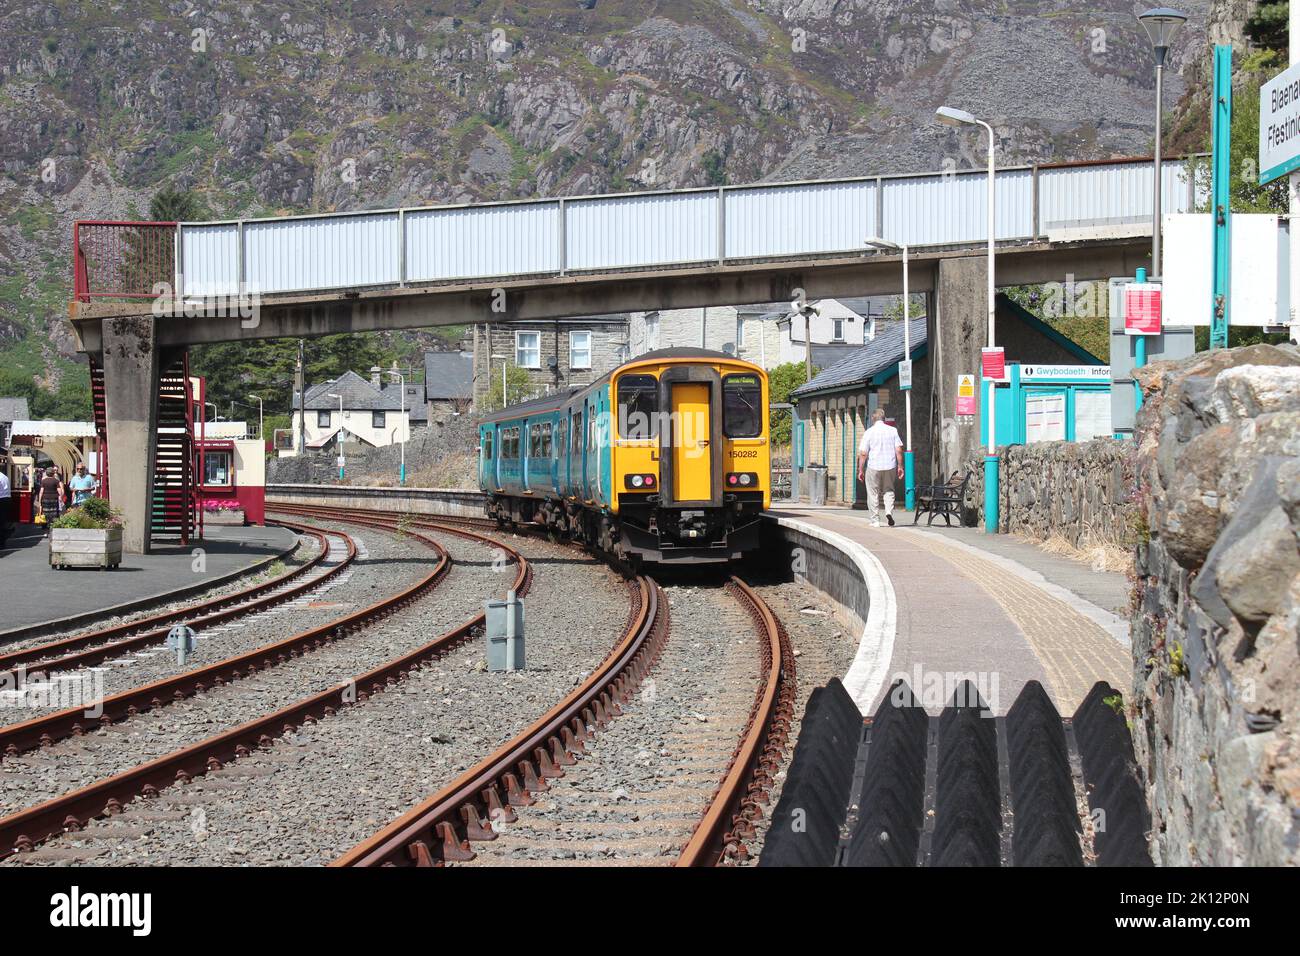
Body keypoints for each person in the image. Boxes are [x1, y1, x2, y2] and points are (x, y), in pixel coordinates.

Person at [856, 408, 904, 528]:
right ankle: (888, 511)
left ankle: (875, 520)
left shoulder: (869, 432)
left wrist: (860, 469)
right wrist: (900, 466)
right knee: (889, 490)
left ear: (873, 419)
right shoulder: (893, 430)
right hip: (890, 465)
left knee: (873, 492)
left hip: (874, 466)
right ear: (884, 418)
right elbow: (898, 450)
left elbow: (863, 453)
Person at [37, 467, 63, 535]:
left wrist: (39, 501)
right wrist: (60, 497)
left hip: (45, 499)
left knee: (45, 515)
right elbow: (59, 490)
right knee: (54, 515)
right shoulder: (56, 481)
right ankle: (53, 530)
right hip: (54, 499)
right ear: (53, 473)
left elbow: (41, 491)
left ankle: (46, 531)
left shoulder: (43, 481)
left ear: (47, 473)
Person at [0, 458, 11, 548]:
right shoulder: (4, 477)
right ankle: (2, 540)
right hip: (6, 499)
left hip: (1, 499)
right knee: (3, 521)